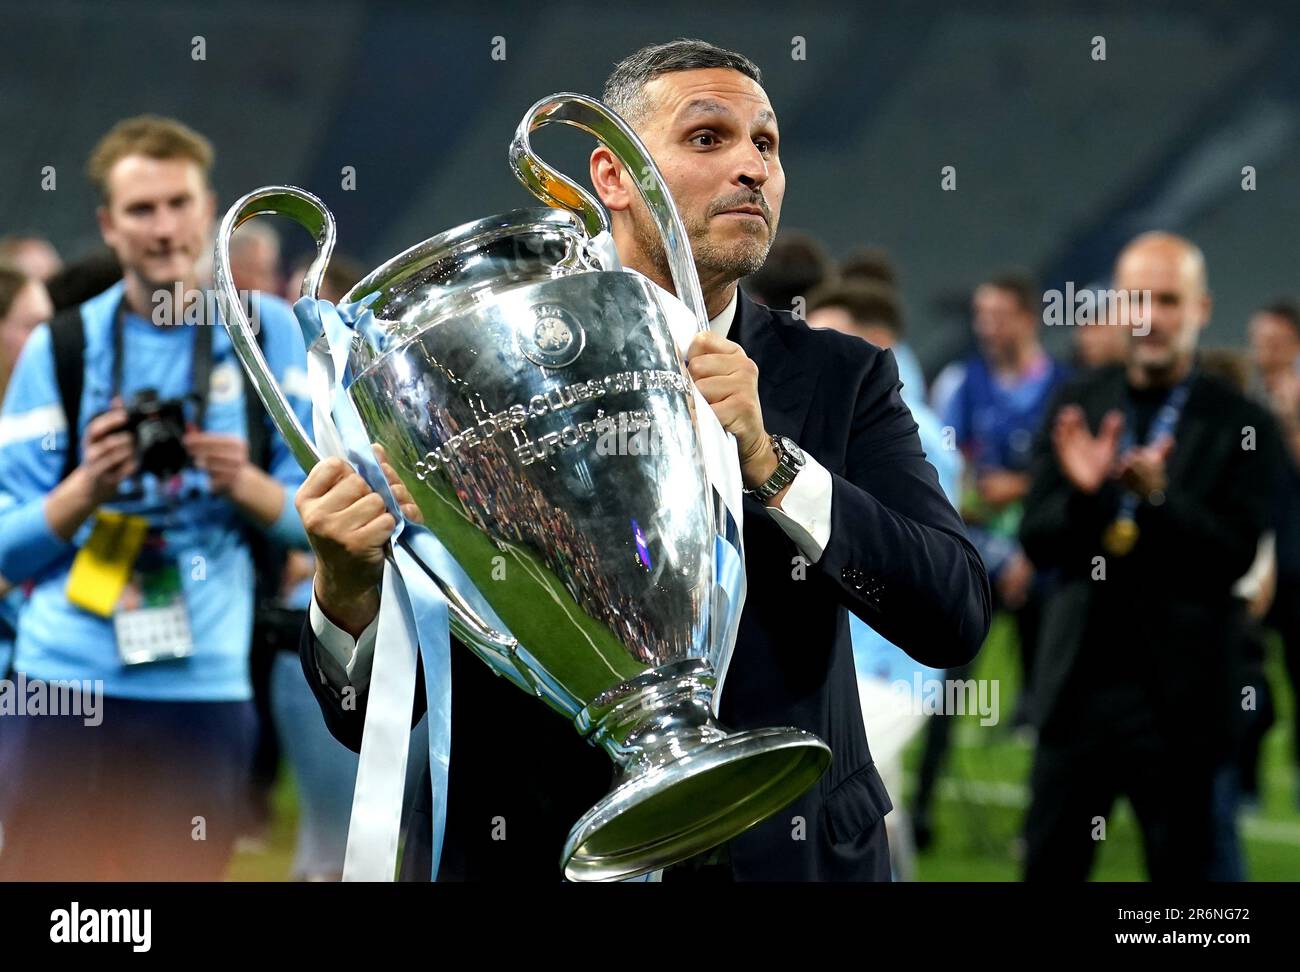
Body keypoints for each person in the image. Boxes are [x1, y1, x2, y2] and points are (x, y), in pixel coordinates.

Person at [298, 38, 990, 882]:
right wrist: (344, 589)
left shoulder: (841, 378)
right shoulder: (465, 373)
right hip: (544, 851)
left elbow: (949, 613)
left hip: (783, 852)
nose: (751, 169)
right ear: (612, 176)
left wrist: (774, 465)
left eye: (766, 144)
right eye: (708, 139)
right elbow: (369, 713)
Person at [0, 115, 313, 880]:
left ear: (209, 211)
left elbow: (321, 522)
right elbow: (5, 545)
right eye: (141, 209)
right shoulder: (63, 345)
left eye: (179, 203)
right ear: (109, 225)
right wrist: (86, 488)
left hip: (203, 684)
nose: (164, 227)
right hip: (62, 685)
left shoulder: (268, 336)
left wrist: (244, 483)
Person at [1018, 232, 1281, 880]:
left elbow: (1236, 556)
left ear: (1201, 309)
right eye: (1136, 298)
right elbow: (1037, 537)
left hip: (1183, 704)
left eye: (1167, 300)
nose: (1149, 317)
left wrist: (1159, 501)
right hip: (1078, 689)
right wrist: (1085, 497)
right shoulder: (1080, 401)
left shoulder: (1241, 421)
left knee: (1185, 901)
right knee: (1051, 869)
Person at [807, 278, 963, 879]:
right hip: (854, 663)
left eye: (829, 338)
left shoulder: (910, 438)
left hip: (888, 671)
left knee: (829, 795)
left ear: (874, 344)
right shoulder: (852, 420)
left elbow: (920, 566)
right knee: (873, 812)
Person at [1246, 299, 1300, 803]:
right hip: (1256, 555)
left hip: (1297, 558)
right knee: (1245, 668)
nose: (1264, 351)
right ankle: (1246, 777)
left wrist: (1291, 425)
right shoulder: (1247, 396)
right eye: (1259, 341)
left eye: (1275, 342)